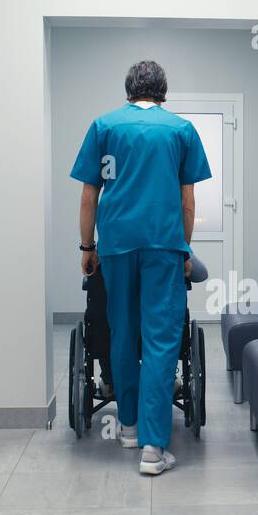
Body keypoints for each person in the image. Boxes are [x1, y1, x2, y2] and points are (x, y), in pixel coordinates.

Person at [70, 60, 211, 475]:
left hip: (115, 244)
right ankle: (153, 449)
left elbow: (88, 196)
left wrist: (87, 247)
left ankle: (129, 428)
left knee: (122, 331)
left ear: (128, 89)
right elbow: (187, 202)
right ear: (163, 91)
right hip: (163, 245)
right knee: (160, 340)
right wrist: (184, 250)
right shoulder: (181, 130)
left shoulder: (104, 126)